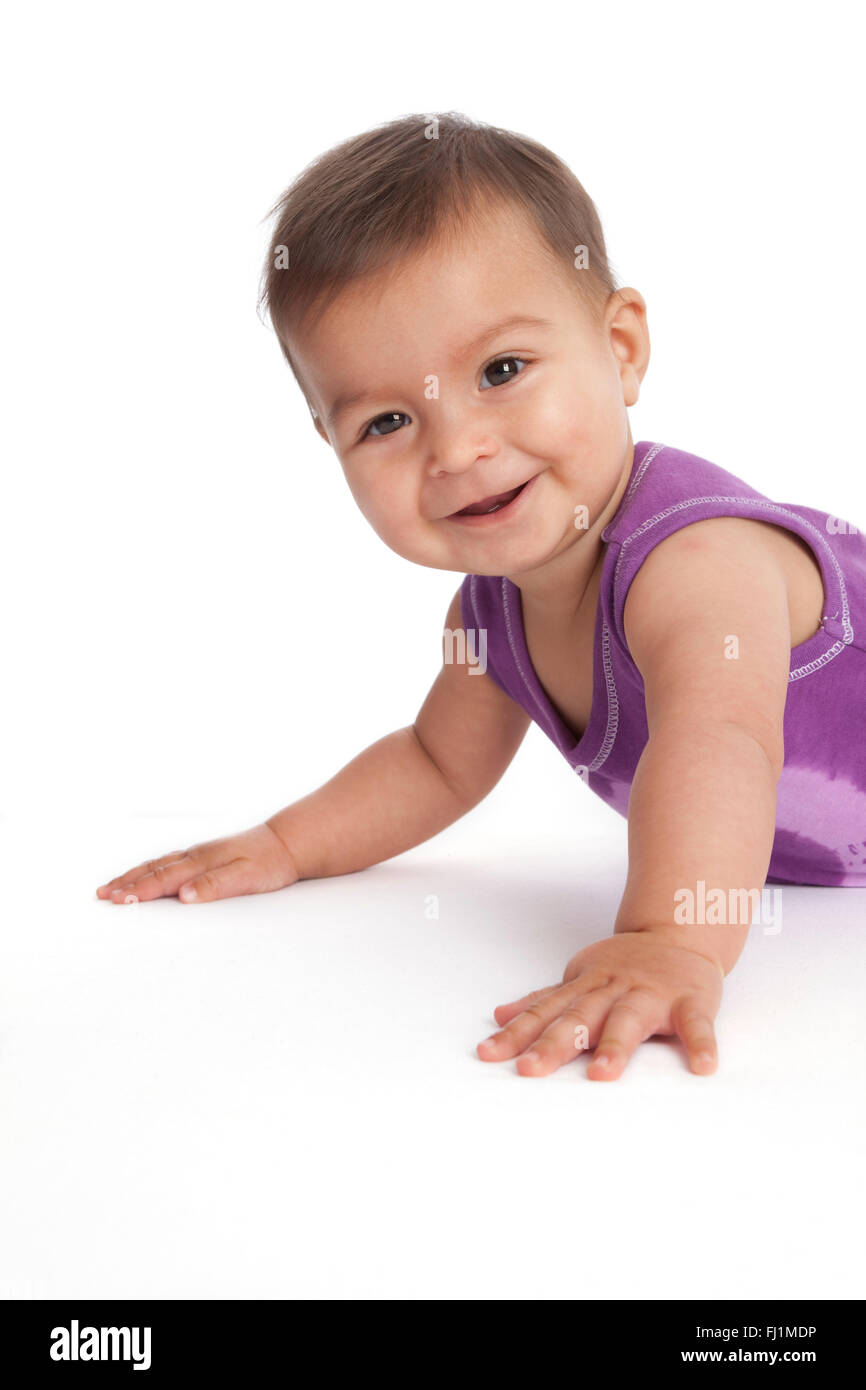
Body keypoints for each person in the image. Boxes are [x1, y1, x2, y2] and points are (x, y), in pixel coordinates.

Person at [96, 112, 866, 1081]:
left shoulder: (697, 562)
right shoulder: (487, 616)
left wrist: (669, 939)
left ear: (620, 347)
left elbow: (718, 739)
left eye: (500, 371)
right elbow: (434, 761)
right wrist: (286, 843)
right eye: (384, 420)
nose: (456, 448)